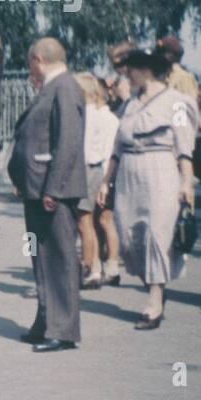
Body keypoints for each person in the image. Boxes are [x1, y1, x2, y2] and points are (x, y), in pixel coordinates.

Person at [96, 46, 197, 330]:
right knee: (130, 237)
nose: (127, 73)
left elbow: (184, 145)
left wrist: (187, 182)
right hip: (129, 172)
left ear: (146, 70)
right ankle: (154, 285)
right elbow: (117, 146)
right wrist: (107, 181)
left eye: (132, 68)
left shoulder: (176, 102)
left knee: (156, 234)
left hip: (161, 169)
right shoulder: (130, 104)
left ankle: (154, 299)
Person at [8, 37, 87, 353]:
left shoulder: (65, 87)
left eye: (31, 64)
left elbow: (67, 143)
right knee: (41, 259)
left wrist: (53, 188)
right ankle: (46, 321)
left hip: (51, 190)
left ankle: (63, 331)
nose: (31, 70)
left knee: (59, 260)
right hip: (37, 189)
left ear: (37, 59)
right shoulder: (54, 87)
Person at [76, 72, 120, 289]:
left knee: (90, 222)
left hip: (94, 172)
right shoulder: (97, 115)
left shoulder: (92, 116)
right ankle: (101, 266)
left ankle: (96, 268)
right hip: (98, 172)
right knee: (94, 222)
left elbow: (103, 150)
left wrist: (106, 180)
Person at [157, 34, 200, 102]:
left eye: (161, 53)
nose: (157, 57)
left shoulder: (183, 77)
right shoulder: (162, 77)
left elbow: (187, 106)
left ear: (170, 56)